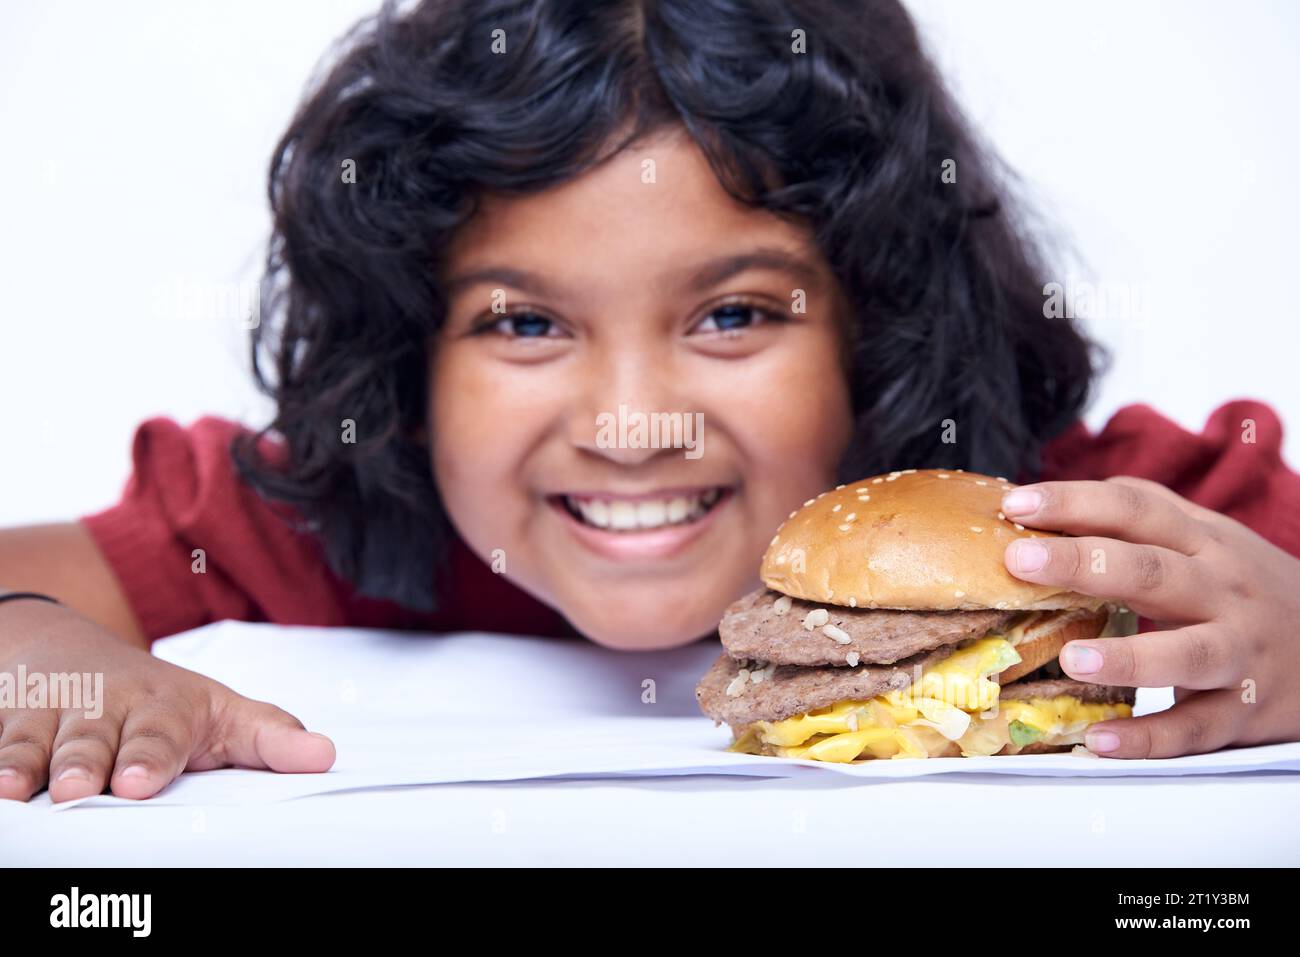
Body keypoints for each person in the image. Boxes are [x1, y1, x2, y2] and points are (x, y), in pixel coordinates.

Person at [2, 0, 1298, 804]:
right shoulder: (304, 519)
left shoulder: (1074, 526)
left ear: (876, 326)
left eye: (734, 313)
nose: (632, 420)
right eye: (524, 321)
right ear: (410, 361)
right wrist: (48, 660)